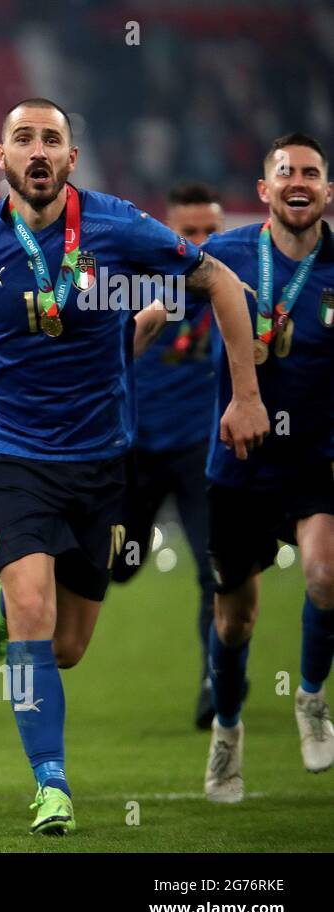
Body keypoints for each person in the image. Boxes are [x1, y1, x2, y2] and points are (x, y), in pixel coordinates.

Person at [0, 98, 268, 834]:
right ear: (0, 155)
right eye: (23, 138)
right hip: (8, 454)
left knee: (64, 646)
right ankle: (52, 783)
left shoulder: (118, 226)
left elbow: (221, 281)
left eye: (51, 140)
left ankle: (8, 609)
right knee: (36, 610)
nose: (37, 150)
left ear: (70, 160)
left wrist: (246, 395)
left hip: (100, 463)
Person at [198, 133, 334, 802]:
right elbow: (166, 294)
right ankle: (227, 730)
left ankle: (311, 696)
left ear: (327, 192)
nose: (299, 181)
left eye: (312, 171)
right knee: (235, 621)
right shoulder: (224, 253)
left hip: (318, 458)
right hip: (241, 463)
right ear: (264, 190)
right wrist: (151, 315)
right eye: (287, 172)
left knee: (326, 574)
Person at [111, 183, 228, 730]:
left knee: (215, 569)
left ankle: (216, 679)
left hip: (201, 454)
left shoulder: (234, 291)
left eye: (212, 231)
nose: (203, 242)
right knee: (118, 565)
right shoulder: (132, 286)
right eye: (190, 232)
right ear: (169, 234)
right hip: (134, 451)